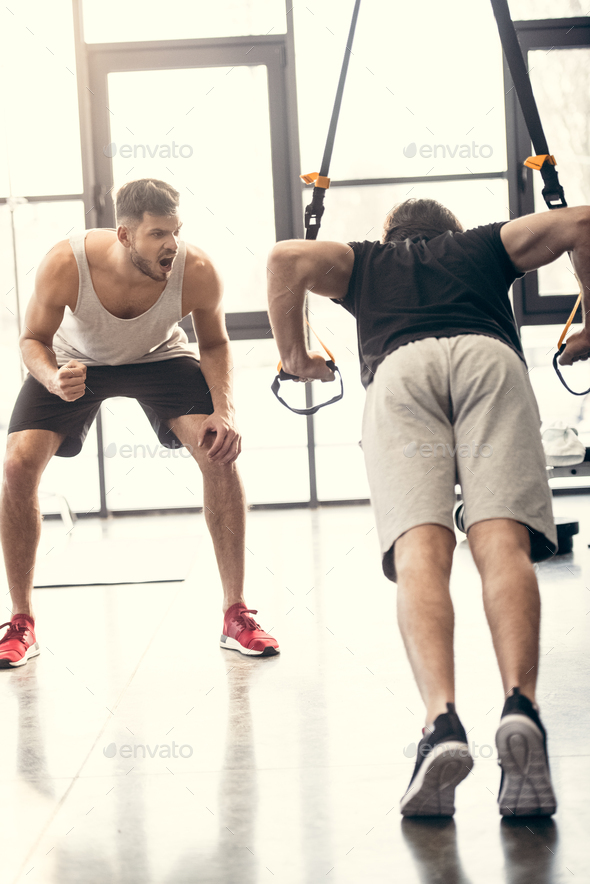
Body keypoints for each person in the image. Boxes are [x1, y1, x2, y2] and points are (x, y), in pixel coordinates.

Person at [267, 197, 590, 816]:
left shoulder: (369, 262)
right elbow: (580, 221)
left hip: (401, 372)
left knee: (422, 550)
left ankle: (441, 722)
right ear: (454, 232)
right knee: (502, 542)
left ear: (392, 236)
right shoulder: (482, 247)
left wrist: (295, 355)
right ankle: (521, 706)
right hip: (487, 360)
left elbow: (286, 259)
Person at [0, 177, 279, 668]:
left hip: (159, 358)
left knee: (219, 453)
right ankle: (21, 621)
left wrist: (225, 411)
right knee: (18, 467)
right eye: (157, 235)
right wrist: (50, 378)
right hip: (74, 361)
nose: (171, 244)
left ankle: (236, 614)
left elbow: (214, 343)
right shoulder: (66, 264)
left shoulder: (196, 269)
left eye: (174, 231)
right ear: (125, 235)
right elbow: (31, 339)